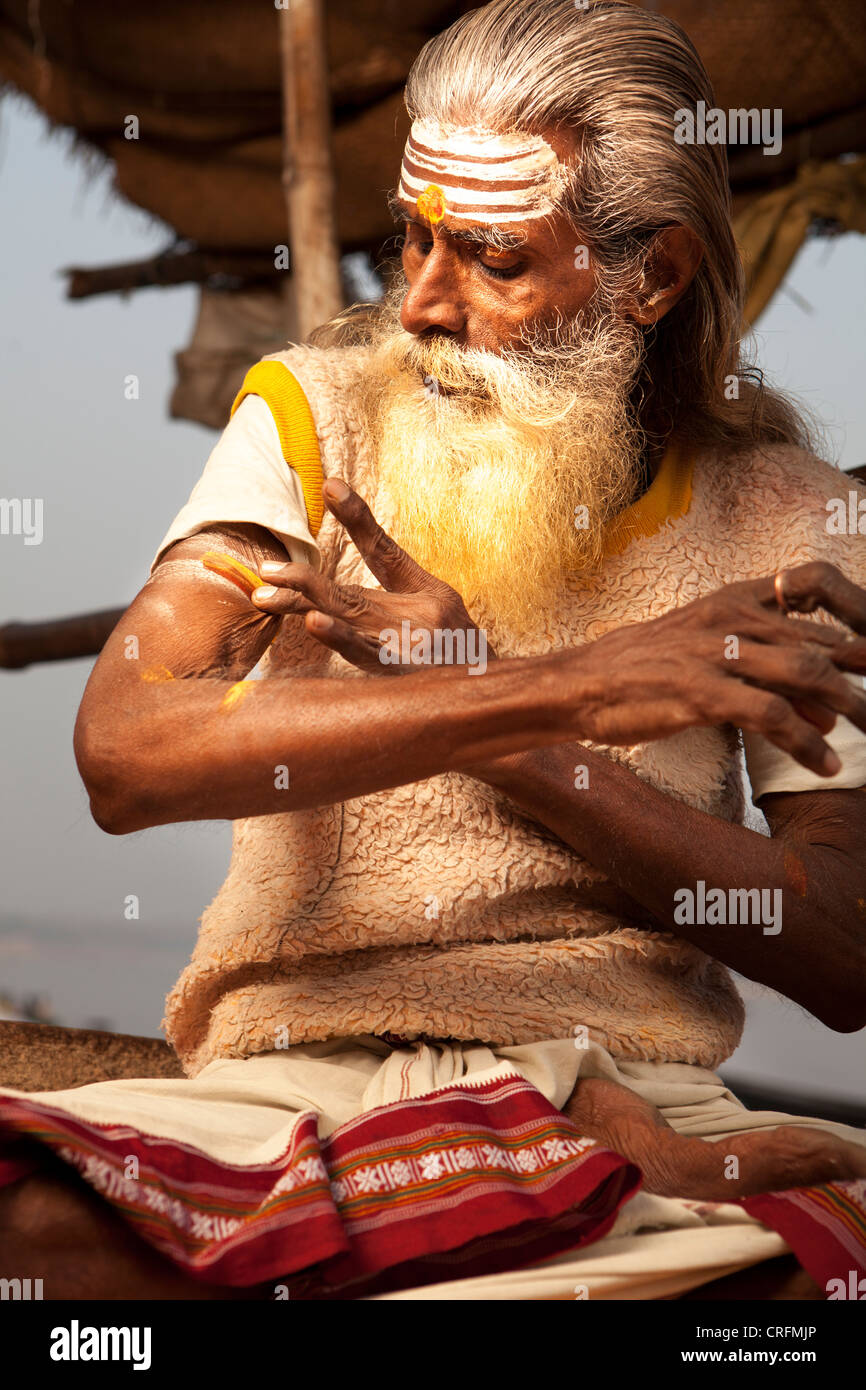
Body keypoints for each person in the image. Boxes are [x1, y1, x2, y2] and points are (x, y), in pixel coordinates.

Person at [2, 0, 866, 1300]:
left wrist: (519, 739)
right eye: (409, 237)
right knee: (32, 1243)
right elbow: (124, 752)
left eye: (490, 256)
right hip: (293, 1094)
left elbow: (841, 954)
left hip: (636, 1097)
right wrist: (558, 691)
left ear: (653, 275)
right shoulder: (313, 416)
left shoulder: (791, 519)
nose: (415, 300)